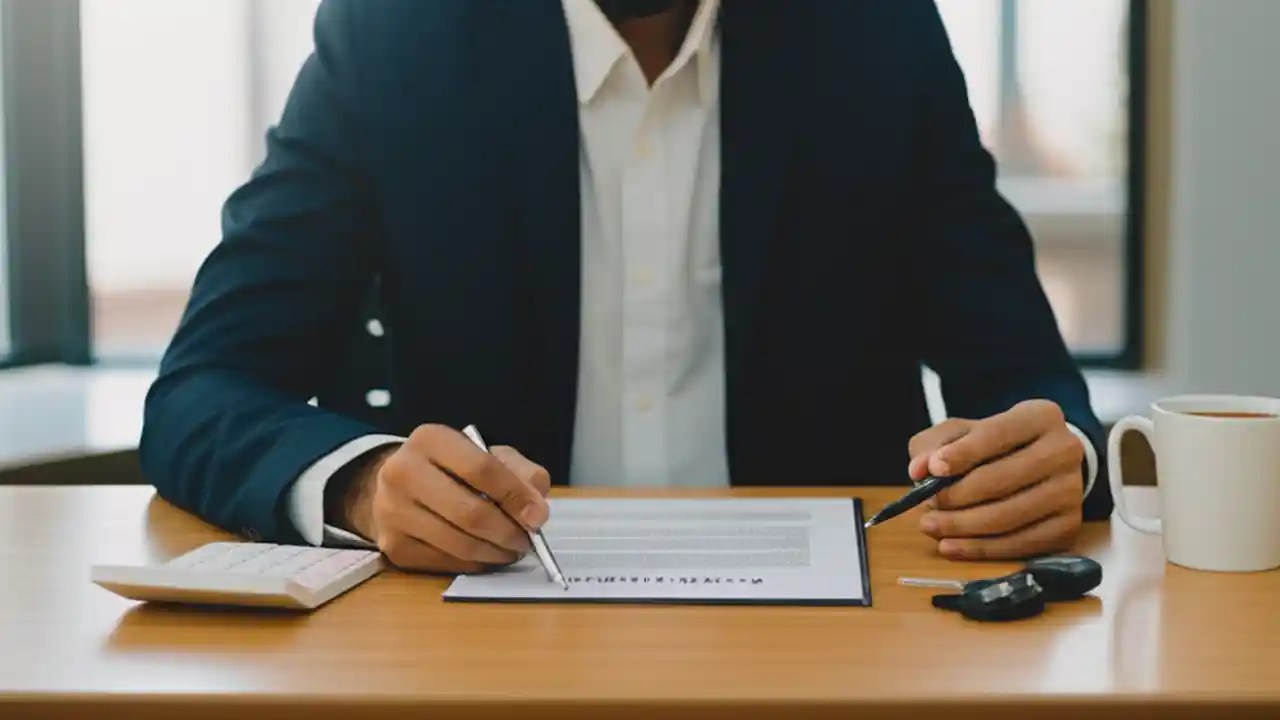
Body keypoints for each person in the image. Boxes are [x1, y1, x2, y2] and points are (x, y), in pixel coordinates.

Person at [141, 0, 1113, 574]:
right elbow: (202, 391)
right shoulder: (400, 33)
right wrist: (358, 482)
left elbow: (1025, 380)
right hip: (473, 646)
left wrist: (1058, 456)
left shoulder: (875, 34)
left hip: (832, 652)